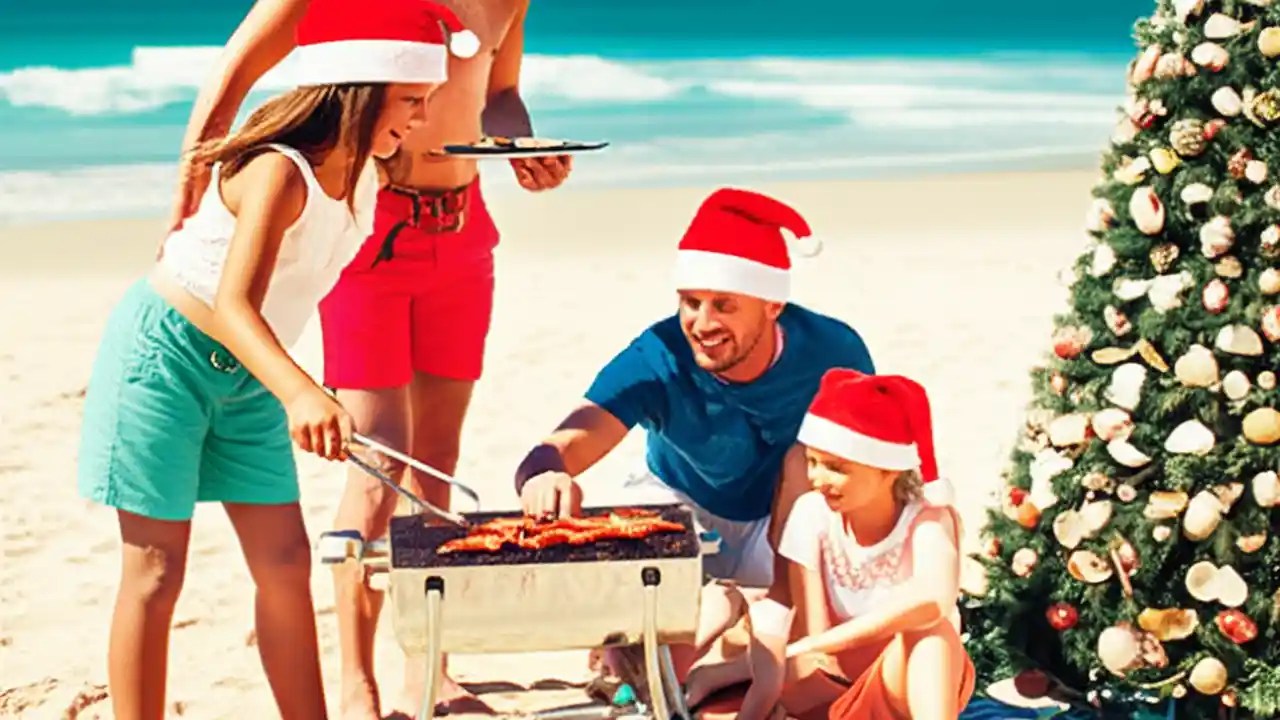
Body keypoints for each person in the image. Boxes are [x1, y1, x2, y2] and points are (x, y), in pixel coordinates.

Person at [165, 0, 573, 716]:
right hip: (369, 232)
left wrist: (524, 146)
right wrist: (185, 202)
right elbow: (232, 74)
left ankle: (431, 663)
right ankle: (357, 681)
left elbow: (498, 98)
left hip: (464, 230)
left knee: (436, 461)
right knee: (381, 463)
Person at [75, 1, 469, 718]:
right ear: (360, 88)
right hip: (166, 359)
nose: (420, 117)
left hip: (254, 377)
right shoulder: (277, 170)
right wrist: (303, 394)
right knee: (156, 573)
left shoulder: (371, 179)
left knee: (286, 567)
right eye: (411, 99)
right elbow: (233, 304)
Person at [514, 187, 876, 592]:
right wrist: (543, 477)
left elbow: (877, 467)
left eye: (724, 305)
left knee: (807, 469)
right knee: (650, 617)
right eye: (691, 303)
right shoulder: (657, 356)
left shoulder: (834, 351)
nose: (702, 325)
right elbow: (563, 444)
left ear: (773, 305)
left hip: (781, 520)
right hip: (679, 507)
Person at [682, 368, 972, 720]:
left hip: (910, 684)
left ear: (888, 469)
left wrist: (813, 645)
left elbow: (932, 602)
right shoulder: (812, 515)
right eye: (813, 462)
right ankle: (721, 673)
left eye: (836, 467)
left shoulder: (929, 520)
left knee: (930, 632)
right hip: (833, 684)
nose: (817, 479)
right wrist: (800, 655)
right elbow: (814, 644)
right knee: (753, 628)